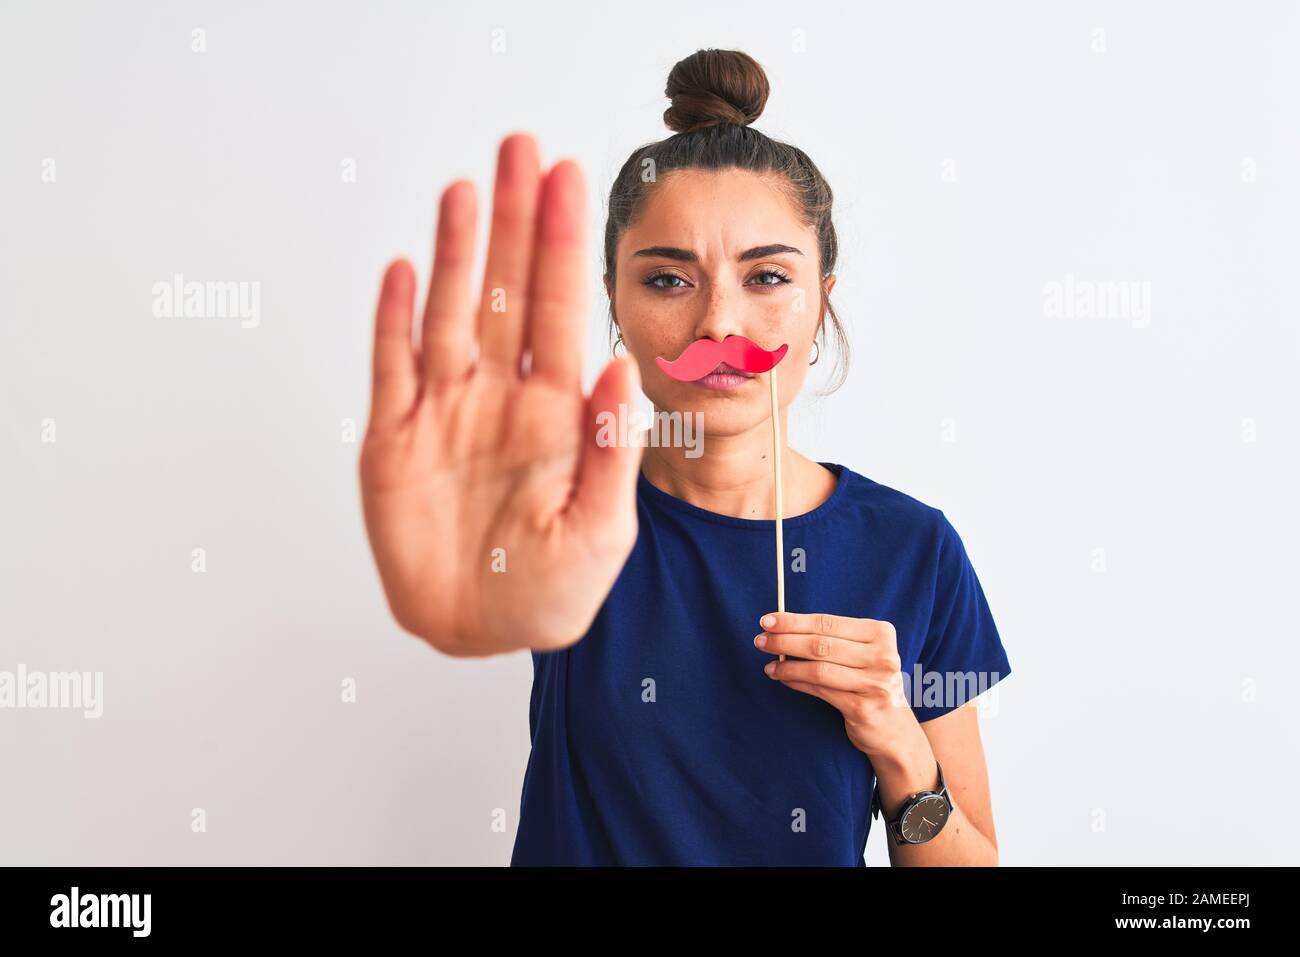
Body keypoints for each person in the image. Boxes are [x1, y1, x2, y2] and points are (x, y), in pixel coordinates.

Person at [359, 49, 1012, 866]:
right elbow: (491, 584)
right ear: (614, 302)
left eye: (767, 275)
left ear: (822, 300)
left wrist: (900, 745)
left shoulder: (915, 550)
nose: (718, 326)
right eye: (669, 280)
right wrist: (467, 580)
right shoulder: (558, 512)